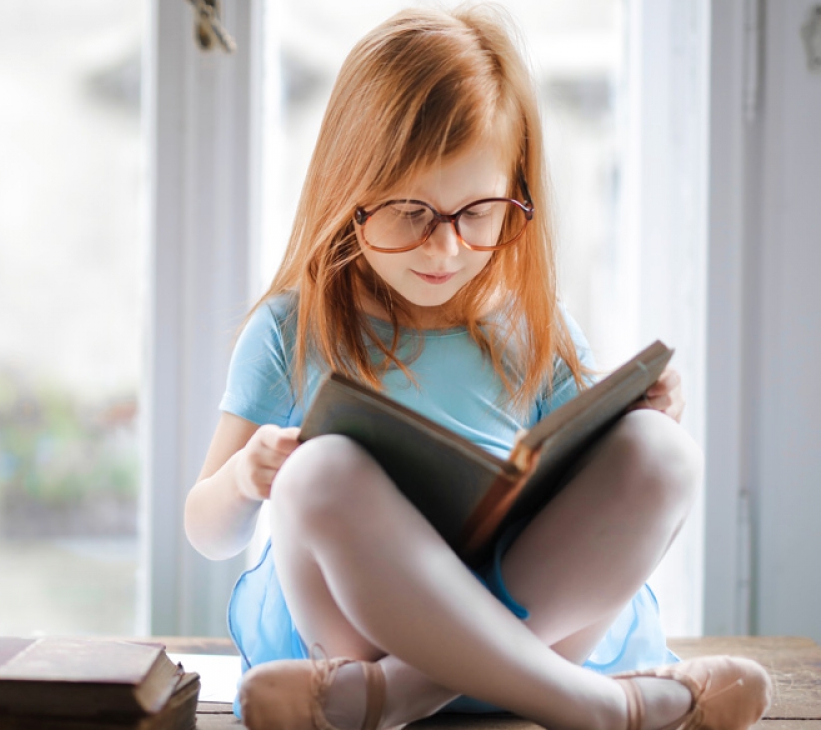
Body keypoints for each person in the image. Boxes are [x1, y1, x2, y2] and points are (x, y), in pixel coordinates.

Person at [183, 6, 772, 730]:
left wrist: (646, 414)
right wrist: (246, 478)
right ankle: (606, 709)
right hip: (360, 637)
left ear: (515, 194)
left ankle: (399, 696)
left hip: (491, 637)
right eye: (409, 213)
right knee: (316, 473)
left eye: (479, 212)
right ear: (349, 193)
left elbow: (603, 488)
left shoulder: (536, 327)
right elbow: (207, 531)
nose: (445, 250)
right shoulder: (293, 327)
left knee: (664, 454)